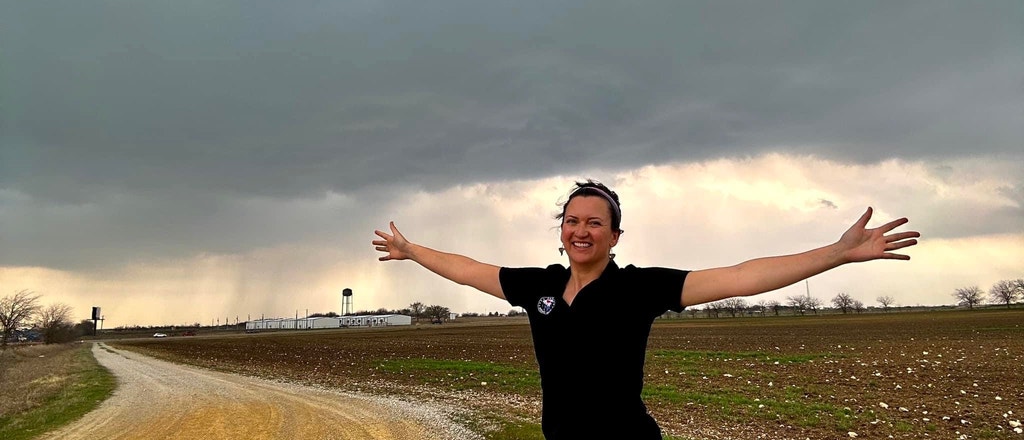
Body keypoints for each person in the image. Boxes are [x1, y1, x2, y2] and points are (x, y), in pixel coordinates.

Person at [372, 179, 920, 439]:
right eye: (571, 220)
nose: (581, 230)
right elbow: (468, 269)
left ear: (614, 234)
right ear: (561, 232)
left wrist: (836, 254)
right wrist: (413, 251)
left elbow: (741, 277)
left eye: (594, 222)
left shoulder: (639, 289)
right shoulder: (536, 286)